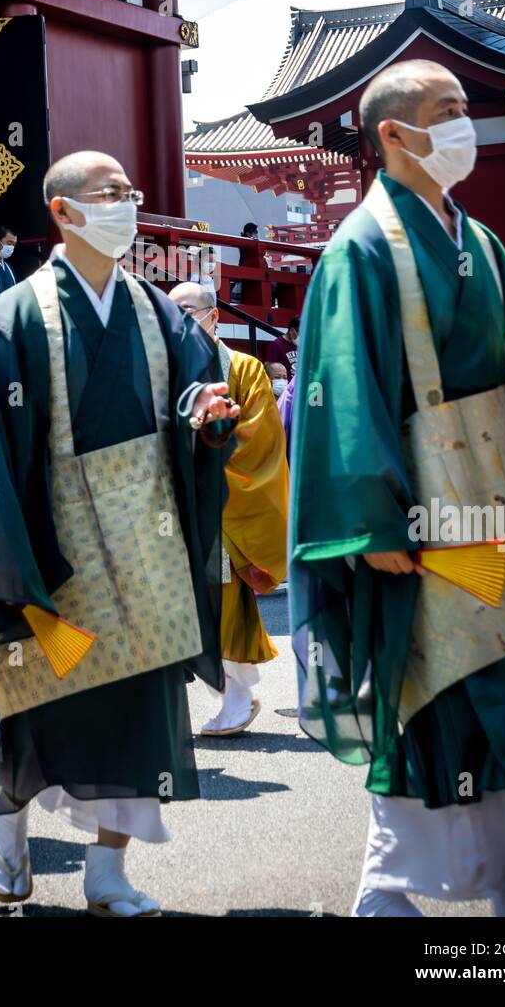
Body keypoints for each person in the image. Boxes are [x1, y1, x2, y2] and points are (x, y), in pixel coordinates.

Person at [0, 151, 239, 915]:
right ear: (61, 212)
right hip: (50, 544)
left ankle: (108, 873)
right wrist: (9, 557)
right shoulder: (16, 312)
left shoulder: (154, 307)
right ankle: (9, 825)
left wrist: (203, 417)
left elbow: (190, 379)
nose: (127, 205)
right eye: (110, 194)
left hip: (145, 541)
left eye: (131, 193)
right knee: (41, 705)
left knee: (139, 710)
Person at [289, 58, 505, 918]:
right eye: (449, 110)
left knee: (483, 679)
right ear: (393, 133)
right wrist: (371, 520)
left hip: (483, 497)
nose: (466, 125)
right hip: (411, 502)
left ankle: (494, 880)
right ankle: (390, 885)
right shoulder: (361, 245)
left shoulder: (478, 241)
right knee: (420, 684)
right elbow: (343, 389)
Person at [169, 282, 288, 735]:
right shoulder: (166, 369)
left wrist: (209, 444)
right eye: (170, 312)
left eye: (187, 312)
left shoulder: (245, 368)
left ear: (213, 317)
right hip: (175, 507)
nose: (178, 322)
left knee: (223, 603)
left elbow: (260, 440)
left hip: (221, 506)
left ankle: (236, 695)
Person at [265, 315, 300, 380]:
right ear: (292, 331)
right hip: (284, 387)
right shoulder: (276, 345)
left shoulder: (300, 346)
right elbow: (269, 369)